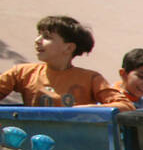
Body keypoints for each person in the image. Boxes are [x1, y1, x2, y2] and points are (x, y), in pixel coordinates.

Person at [0, 15, 132, 110]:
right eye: (38, 35)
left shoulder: (91, 79)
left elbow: (126, 106)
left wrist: (82, 110)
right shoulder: (22, 72)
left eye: (47, 37)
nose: (37, 40)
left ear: (68, 48)